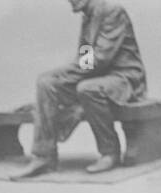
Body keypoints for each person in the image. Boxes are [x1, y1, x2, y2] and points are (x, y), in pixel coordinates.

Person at [14, 0, 147, 178]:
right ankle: (43, 156)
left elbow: (99, 59)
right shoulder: (88, 17)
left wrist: (60, 75)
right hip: (98, 76)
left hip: (124, 78)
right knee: (45, 84)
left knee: (86, 88)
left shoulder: (113, 11)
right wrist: (53, 84)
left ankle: (110, 152)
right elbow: (85, 58)